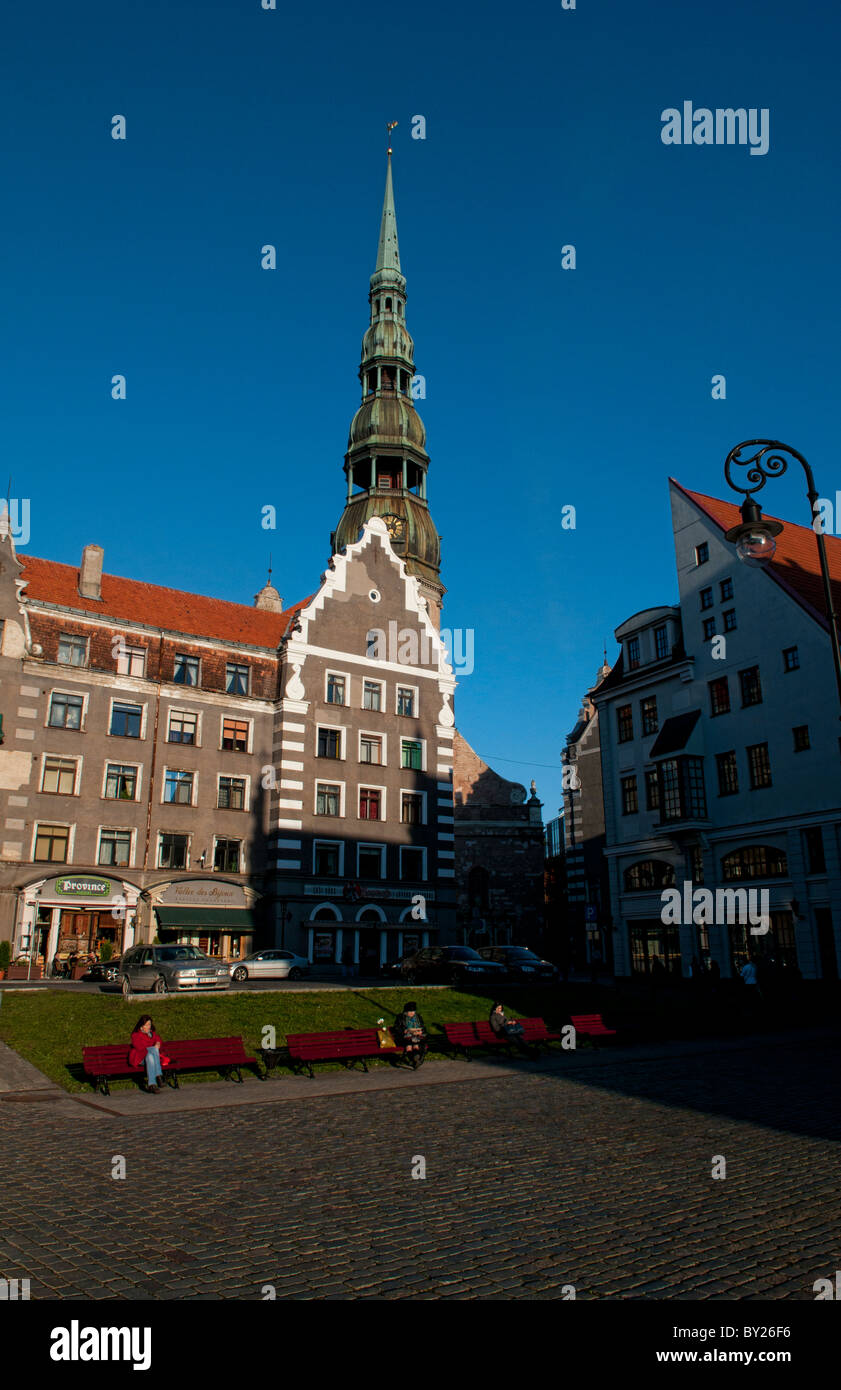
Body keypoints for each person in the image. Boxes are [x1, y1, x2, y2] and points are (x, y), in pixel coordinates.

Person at [129, 1015, 170, 1093]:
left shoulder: (152, 1034)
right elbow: (140, 1048)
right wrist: (154, 1048)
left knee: (150, 1057)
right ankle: (159, 1076)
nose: (148, 1026)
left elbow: (158, 1038)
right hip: (139, 1057)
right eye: (147, 1025)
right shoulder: (136, 1035)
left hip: (149, 1057)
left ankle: (152, 1085)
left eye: (149, 1024)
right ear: (141, 1026)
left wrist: (158, 1042)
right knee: (153, 1050)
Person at [394, 1001, 427, 1068]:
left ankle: (415, 1058)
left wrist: (421, 1031)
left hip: (416, 1036)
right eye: (410, 1011)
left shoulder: (418, 1017)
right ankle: (413, 1059)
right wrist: (405, 1031)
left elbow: (423, 1026)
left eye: (413, 1011)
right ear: (406, 1011)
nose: (412, 1013)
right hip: (405, 1036)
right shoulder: (401, 1017)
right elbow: (397, 1028)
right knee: (409, 1046)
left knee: (416, 1045)